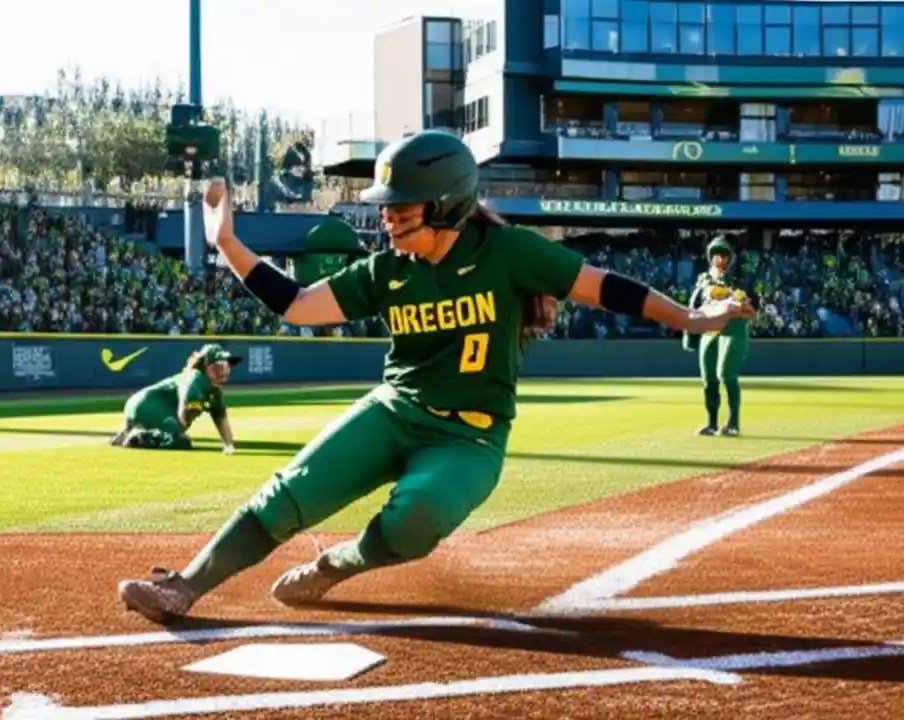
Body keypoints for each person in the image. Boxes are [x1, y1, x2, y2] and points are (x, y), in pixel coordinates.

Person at [117, 130, 754, 624]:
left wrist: (693, 319)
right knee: (289, 495)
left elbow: (607, 288)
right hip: (394, 411)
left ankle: (337, 564)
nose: (387, 218)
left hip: (469, 438)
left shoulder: (508, 252)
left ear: (446, 204)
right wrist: (226, 241)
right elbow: (298, 304)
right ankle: (184, 586)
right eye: (386, 207)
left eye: (401, 207)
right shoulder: (386, 271)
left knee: (415, 520)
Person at [110, 342, 240, 453]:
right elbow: (184, 403)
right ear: (205, 367)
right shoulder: (195, 378)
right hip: (146, 405)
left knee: (179, 439)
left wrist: (228, 444)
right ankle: (138, 436)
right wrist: (177, 434)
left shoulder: (213, 389)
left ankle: (134, 432)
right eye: (217, 368)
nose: (222, 373)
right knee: (179, 442)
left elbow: (220, 417)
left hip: (143, 405)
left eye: (225, 368)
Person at [684, 235, 753, 436]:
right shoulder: (703, 280)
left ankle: (733, 422)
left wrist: (734, 300)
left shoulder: (740, 278)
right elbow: (694, 306)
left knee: (726, 374)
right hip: (710, 331)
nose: (720, 259)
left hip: (734, 330)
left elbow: (752, 311)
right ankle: (712, 423)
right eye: (716, 255)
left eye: (724, 255)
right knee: (709, 379)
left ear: (731, 258)